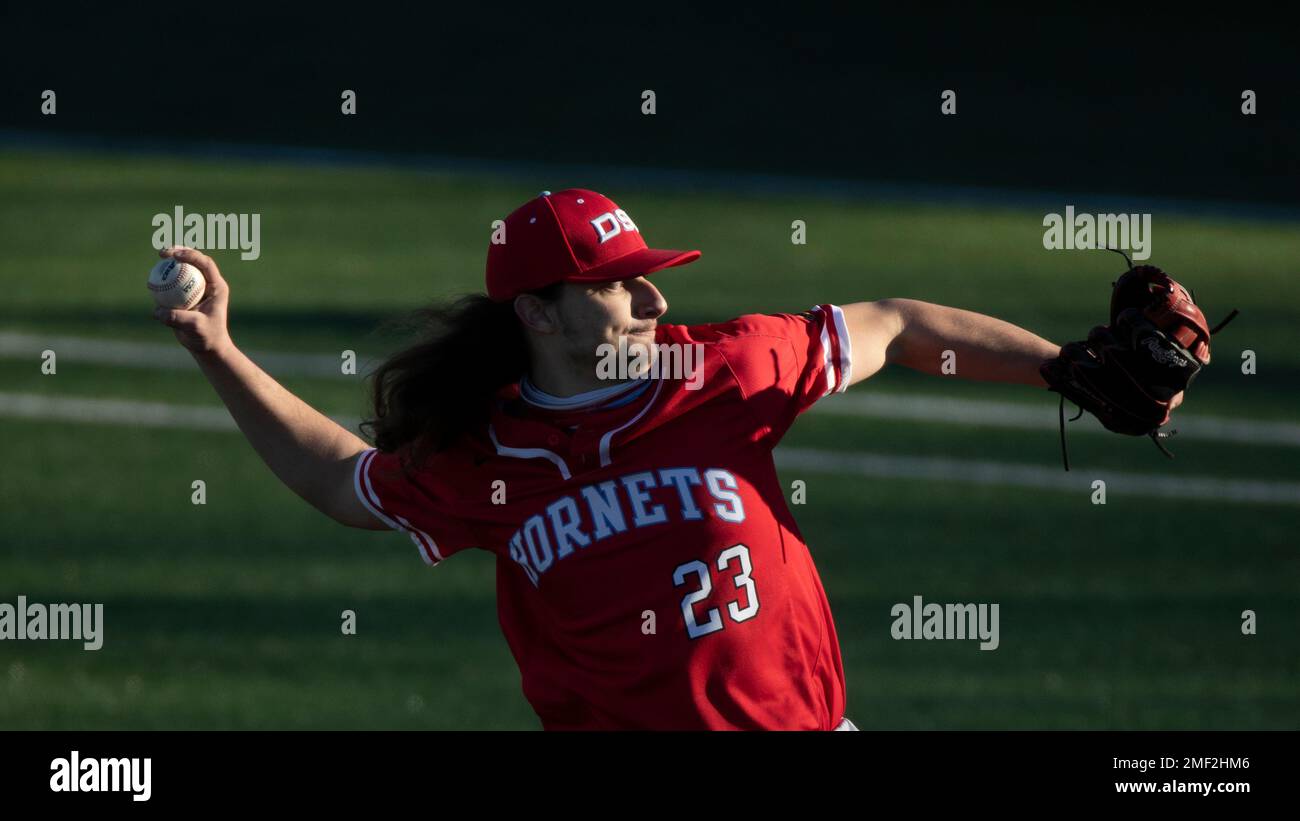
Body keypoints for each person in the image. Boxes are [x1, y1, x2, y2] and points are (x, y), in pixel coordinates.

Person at [151, 188, 1138, 730]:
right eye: (619, 286)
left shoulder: (723, 369)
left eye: (649, 279)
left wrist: (1063, 369)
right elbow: (341, 479)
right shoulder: (486, 455)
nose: (654, 302)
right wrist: (219, 350)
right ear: (536, 313)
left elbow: (896, 325)